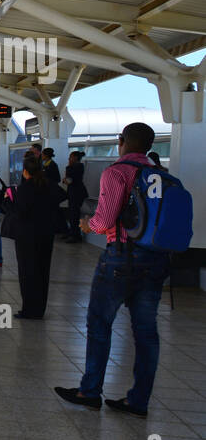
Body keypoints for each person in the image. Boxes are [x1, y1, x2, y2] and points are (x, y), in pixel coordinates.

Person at [55, 122, 170, 416]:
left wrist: (87, 224)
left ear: (121, 142)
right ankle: (138, 400)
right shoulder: (161, 175)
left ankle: (90, 390)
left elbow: (105, 220)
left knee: (99, 324)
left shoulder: (117, 172)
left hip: (120, 259)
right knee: (146, 333)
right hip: (155, 261)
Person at [12, 155, 63, 319]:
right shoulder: (49, 185)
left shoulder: (25, 188)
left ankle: (29, 309)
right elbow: (63, 195)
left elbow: (19, 212)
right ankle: (40, 309)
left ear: (25, 171)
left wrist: (7, 201)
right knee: (42, 271)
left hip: (27, 236)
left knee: (27, 272)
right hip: (46, 234)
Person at [62, 151, 88, 242]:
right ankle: (72, 232)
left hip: (77, 194)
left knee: (74, 215)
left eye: (70, 157)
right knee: (72, 214)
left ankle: (75, 235)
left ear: (75, 158)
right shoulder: (76, 167)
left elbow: (68, 180)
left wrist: (68, 167)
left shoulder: (78, 167)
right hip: (73, 193)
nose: (69, 159)